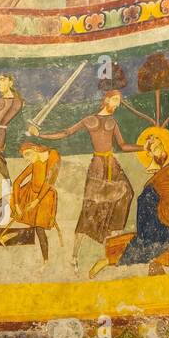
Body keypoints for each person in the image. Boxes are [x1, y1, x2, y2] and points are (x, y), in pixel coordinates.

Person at [29, 88, 137, 268]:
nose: (117, 104)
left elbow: (124, 145)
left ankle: (113, 236)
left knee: (127, 194)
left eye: (119, 101)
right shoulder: (90, 120)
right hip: (97, 167)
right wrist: (40, 135)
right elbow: (65, 133)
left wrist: (143, 147)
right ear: (107, 99)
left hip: (112, 164)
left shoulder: (112, 122)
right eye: (115, 100)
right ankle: (74, 256)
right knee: (89, 209)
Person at [91, 130, 169, 278]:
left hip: (160, 217)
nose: (162, 151)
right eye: (157, 148)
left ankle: (108, 261)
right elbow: (167, 205)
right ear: (149, 154)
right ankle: (108, 261)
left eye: (162, 146)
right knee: (156, 241)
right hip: (152, 217)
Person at [5, 140, 62, 265]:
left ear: (35, 149)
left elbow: (48, 183)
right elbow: (17, 182)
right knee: (27, 222)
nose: (26, 159)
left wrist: (36, 201)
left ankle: (45, 261)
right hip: (30, 194)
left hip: (45, 197)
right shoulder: (34, 162)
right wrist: (17, 206)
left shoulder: (52, 157)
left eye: (27, 154)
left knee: (39, 229)